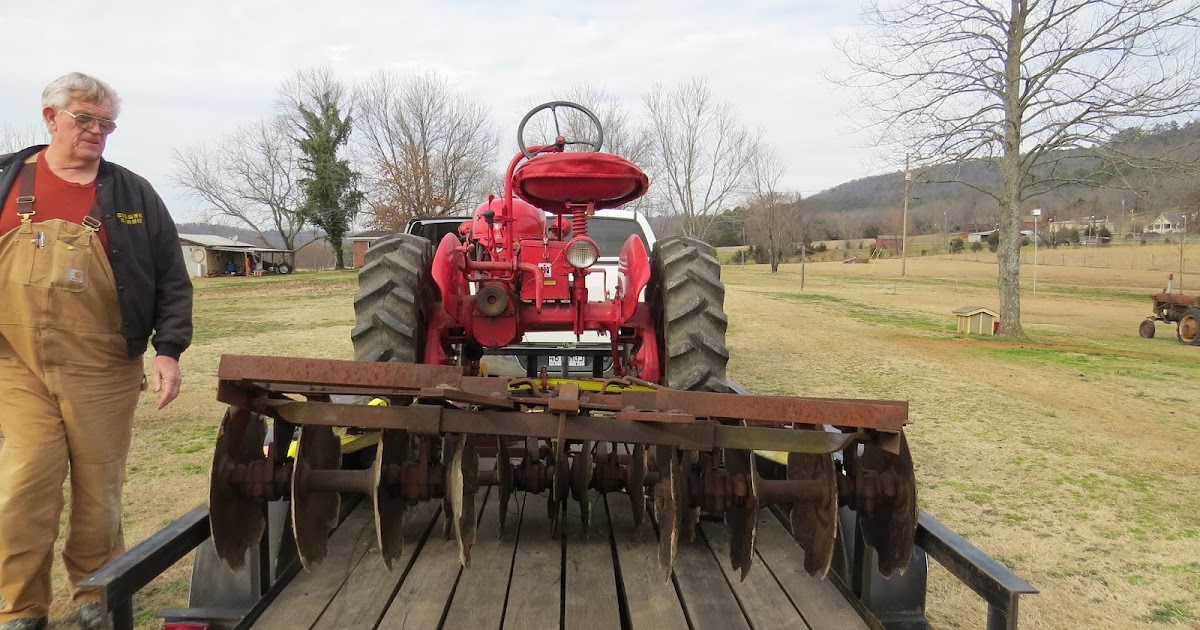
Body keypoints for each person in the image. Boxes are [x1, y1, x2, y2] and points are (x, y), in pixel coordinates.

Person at [0, 73, 193, 630]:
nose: (96, 132)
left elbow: (171, 278)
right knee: (24, 482)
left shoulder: (132, 193)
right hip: (18, 364)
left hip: (103, 364)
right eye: (84, 119)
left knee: (98, 488)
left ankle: (95, 596)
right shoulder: (8, 178)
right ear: (50, 117)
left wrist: (168, 349)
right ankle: (20, 607)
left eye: (106, 124)